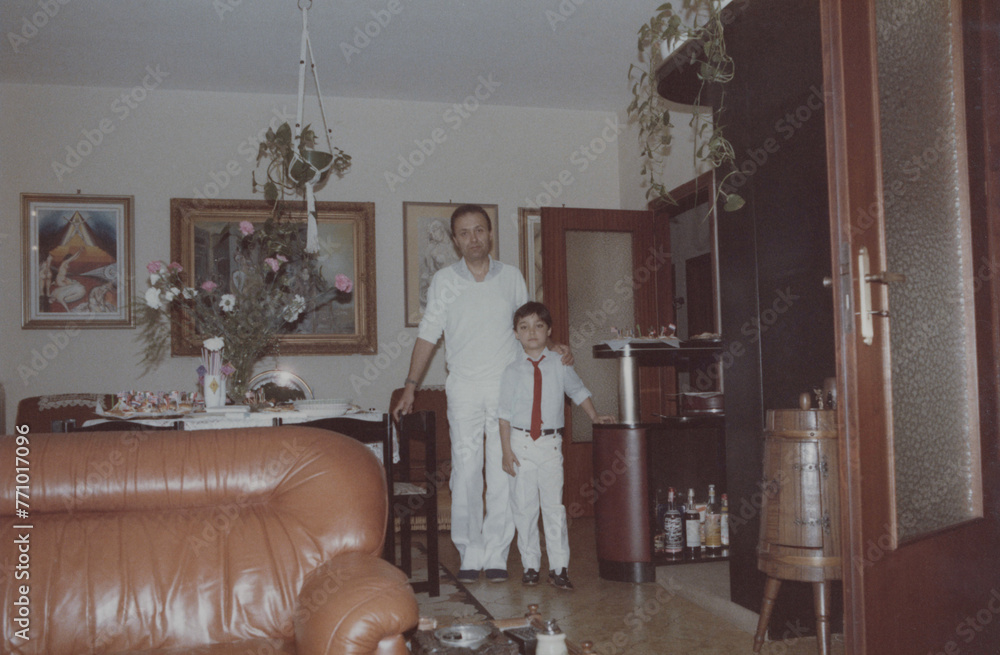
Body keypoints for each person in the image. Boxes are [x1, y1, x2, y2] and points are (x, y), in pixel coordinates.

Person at [392, 204, 569, 584]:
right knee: (466, 471)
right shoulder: (443, 281)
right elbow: (428, 335)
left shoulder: (512, 276)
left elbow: (529, 326)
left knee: (505, 470)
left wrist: (555, 349)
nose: (473, 238)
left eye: (479, 230)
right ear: (455, 241)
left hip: (507, 389)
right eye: (464, 232)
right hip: (464, 389)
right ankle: (470, 552)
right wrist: (410, 386)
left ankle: (496, 554)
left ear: (490, 234)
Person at [498, 301, 614, 591]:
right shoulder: (512, 371)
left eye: (538, 326)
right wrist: (506, 451)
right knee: (524, 508)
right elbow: (504, 416)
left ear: (549, 331)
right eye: (524, 327)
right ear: (516, 334)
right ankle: (530, 566)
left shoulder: (560, 364)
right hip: (520, 444)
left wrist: (594, 416)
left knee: (554, 508)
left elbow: (578, 391)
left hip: (550, 445)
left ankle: (559, 568)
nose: (532, 332)